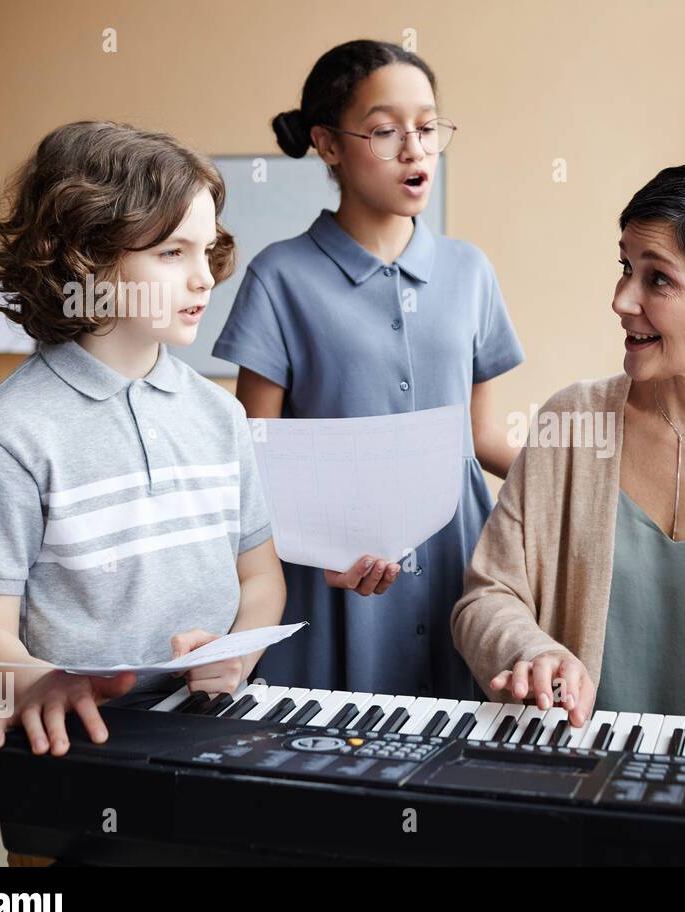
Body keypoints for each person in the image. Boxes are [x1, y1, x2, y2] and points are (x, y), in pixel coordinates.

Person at [0, 121, 285, 759]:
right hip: (77, 742)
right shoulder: (8, 430)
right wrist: (34, 682)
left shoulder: (221, 414)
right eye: (171, 253)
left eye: (205, 250)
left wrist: (238, 655)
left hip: (215, 722)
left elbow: (261, 577)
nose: (205, 278)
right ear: (88, 257)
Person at [453, 164, 685, 727]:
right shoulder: (571, 421)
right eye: (626, 268)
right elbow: (488, 595)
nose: (622, 299)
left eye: (658, 279)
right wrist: (528, 650)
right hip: (562, 787)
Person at [214, 40, 524, 699]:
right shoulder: (278, 277)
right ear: (328, 145)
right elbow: (254, 461)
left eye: (428, 126)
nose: (416, 149)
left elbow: (483, 436)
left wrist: (583, 482)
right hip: (331, 575)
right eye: (386, 131)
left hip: (456, 563)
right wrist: (324, 547)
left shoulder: (470, 270)